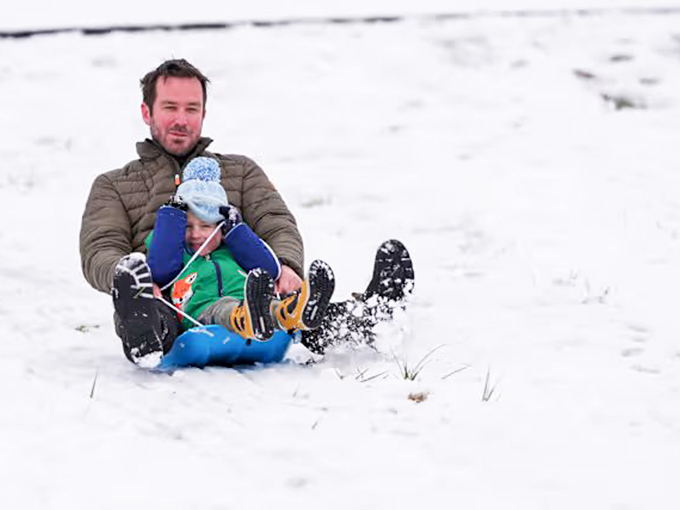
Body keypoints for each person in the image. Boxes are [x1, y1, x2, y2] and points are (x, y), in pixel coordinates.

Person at [80, 58, 414, 365]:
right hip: (169, 303)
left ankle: (374, 316)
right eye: (170, 107)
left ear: (204, 114)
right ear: (146, 111)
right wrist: (135, 280)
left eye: (191, 109)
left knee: (301, 314)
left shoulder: (240, 171)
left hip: (251, 296)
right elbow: (100, 248)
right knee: (152, 316)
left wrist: (286, 265)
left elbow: (276, 222)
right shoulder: (114, 185)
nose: (182, 120)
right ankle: (144, 335)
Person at [142, 157, 335, 359]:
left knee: (271, 307)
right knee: (225, 307)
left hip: (252, 302)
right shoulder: (177, 252)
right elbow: (160, 270)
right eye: (187, 227)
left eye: (206, 226)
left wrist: (237, 232)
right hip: (204, 312)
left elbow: (271, 270)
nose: (196, 234)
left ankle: (293, 313)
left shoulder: (233, 249)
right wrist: (172, 215)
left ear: (221, 228)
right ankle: (247, 319)